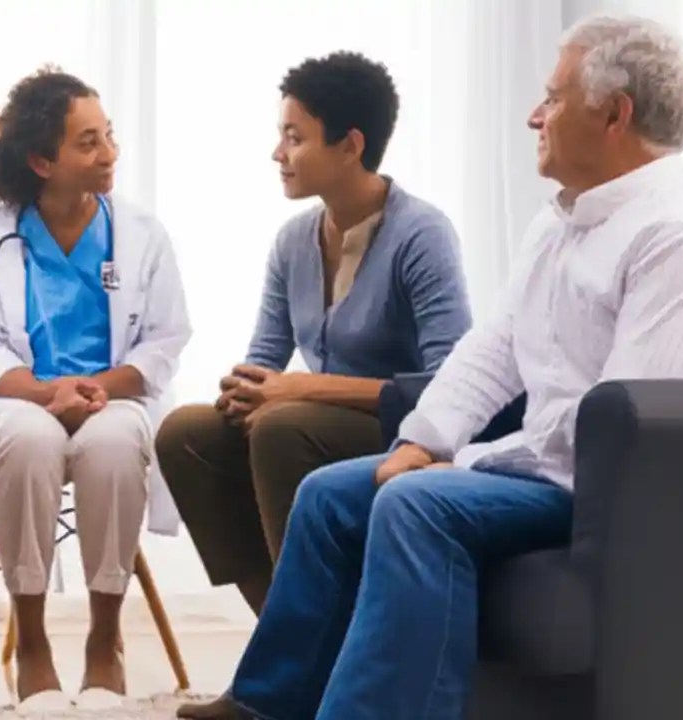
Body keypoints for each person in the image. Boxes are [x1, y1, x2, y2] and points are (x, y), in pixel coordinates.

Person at [198, 14, 683, 720]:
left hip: (602, 496)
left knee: (417, 502)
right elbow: (492, 347)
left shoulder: (682, 237)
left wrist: (470, 463)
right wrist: (423, 439)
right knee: (330, 496)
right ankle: (267, 703)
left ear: (615, 113)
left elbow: (623, 444)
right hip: (545, 468)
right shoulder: (562, 221)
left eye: (552, 97)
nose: (533, 115)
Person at [156, 52, 471, 620]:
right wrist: (244, 388)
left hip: (402, 431)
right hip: (300, 420)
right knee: (187, 432)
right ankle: (285, 636)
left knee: (281, 426)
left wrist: (300, 390)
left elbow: (450, 384)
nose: (279, 154)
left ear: (350, 146)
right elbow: (265, 359)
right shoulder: (293, 241)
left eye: (294, 137)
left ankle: (304, 653)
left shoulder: (423, 235)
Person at [0, 67, 191, 710]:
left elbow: (162, 341)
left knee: (110, 448)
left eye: (107, 136)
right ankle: (31, 642)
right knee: (25, 445)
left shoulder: (141, 234)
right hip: (23, 401)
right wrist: (50, 396)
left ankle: (105, 641)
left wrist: (95, 391)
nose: (108, 153)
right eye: (88, 142)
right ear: (41, 160)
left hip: (114, 399)